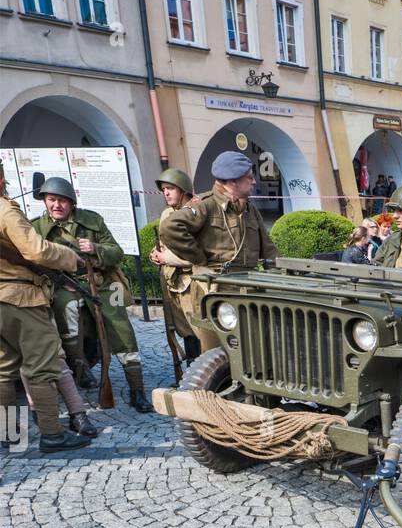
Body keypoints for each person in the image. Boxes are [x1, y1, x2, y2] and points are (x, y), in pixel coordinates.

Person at [33, 177, 153, 413]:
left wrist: (95, 249)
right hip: (63, 286)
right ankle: (80, 369)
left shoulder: (92, 221)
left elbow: (116, 252)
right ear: (45, 201)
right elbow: (33, 260)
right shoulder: (36, 228)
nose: (56, 205)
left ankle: (137, 390)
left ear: (72, 203)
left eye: (62, 201)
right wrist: (57, 281)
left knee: (122, 330)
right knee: (66, 313)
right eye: (51, 200)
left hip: (101, 284)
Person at [0, 159, 90, 453]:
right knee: (42, 367)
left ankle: (8, 434)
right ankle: (52, 434)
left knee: (3, 370)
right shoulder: (5, 209)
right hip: (21, 299)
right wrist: (69, 257)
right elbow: (34, 250)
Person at [161, 152, 278, 352]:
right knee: (220, 353)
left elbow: (269, 251)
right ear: (232, 182)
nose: (253, 181)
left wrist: (286, 271)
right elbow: (170, 227)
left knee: (254, 349)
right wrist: (198, 258)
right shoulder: (206, 205)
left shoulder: (250, 210)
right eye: (249, 177)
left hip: (246, 289)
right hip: (215, 290)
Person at [149, 167, 201, 360]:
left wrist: (166, 258)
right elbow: (164, 246)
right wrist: (155, 255)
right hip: (173, 282)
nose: (166, 193)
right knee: (183, 330)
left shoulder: (197, 212)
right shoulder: (167, 214)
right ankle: (189, 376)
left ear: (183, 189)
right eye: (164, 189)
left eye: (170, 188)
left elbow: (199, 255)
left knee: (199, 330)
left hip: (193, 281)